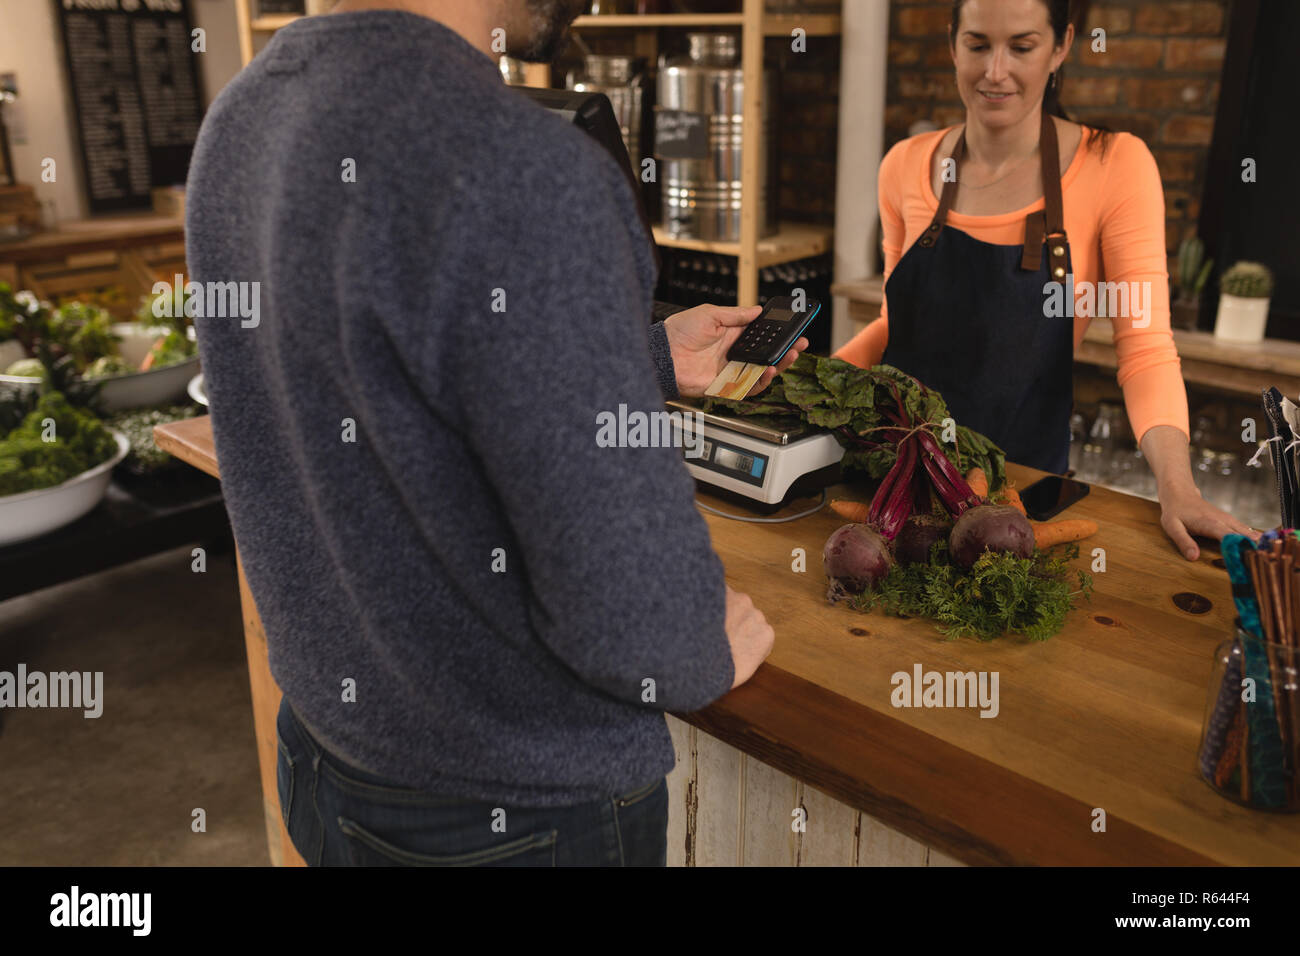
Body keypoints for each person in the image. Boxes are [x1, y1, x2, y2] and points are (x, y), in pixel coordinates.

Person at [186, 0, 802, 866]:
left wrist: (635, 360)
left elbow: (370, 375)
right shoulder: (527, 168)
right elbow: (631, 618)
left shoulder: (245, 115)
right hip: (513, 819)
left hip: (327, 764)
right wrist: (691, 645)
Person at [834, 0, 1257, 560]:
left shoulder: (1116, 166)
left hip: (1017, 508)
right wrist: (816, 381)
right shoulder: (905, 166)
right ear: (952, 43)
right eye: (978, 44)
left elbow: (1147, 349)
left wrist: (1178, 490)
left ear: (1061, 47)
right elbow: (896, 324)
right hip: (893, 493)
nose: (995, 71)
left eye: (1023, 47)